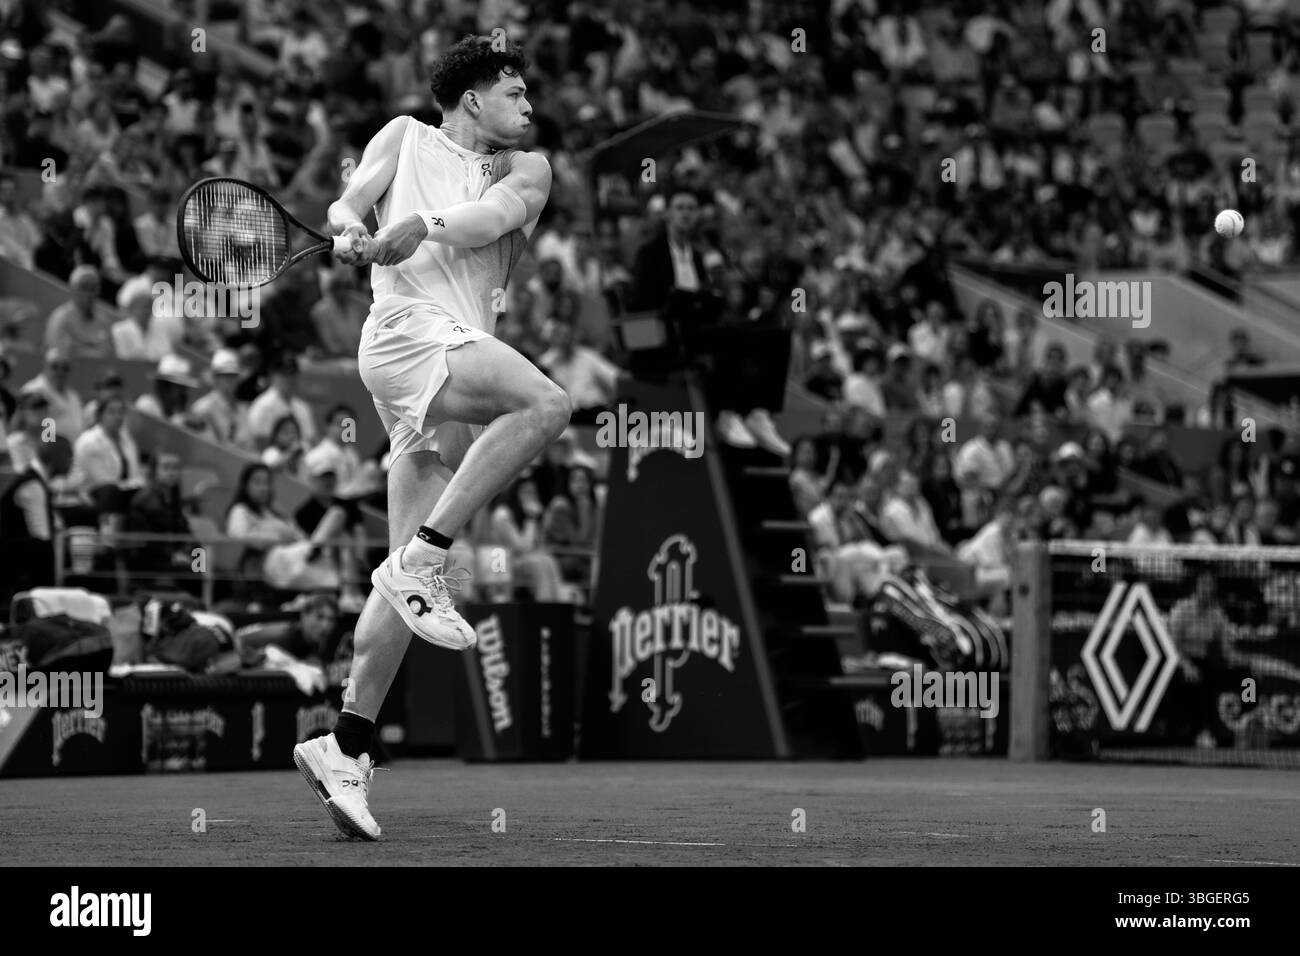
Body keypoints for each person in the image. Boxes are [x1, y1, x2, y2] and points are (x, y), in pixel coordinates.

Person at [293, 35, 570, 840]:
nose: (528, 106)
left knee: (397, 580)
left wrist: (422, 223)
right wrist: (347, 228)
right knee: (547, 405)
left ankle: (345, 745)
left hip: (451, 362)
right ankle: (429, 557)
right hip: (409, 332)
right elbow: (350, 202)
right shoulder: (405, 135)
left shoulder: (529, 169)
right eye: (514, 92)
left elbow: (491, 218)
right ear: (473, 98)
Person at [247, 354, 318, 446]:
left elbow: (311, 439)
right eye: (284, 375)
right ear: (273, 376)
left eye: (292, 375)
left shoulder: (302, 406)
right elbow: (260, 443)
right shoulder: (263, 405)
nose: (289, 379)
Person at [20, 348, 85, 441]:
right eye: (55, 366)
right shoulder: (34, 390)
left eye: (65, 368)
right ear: (45, 366)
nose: (60, 372)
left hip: (72, 449)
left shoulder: (73, 395)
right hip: (45, 449)